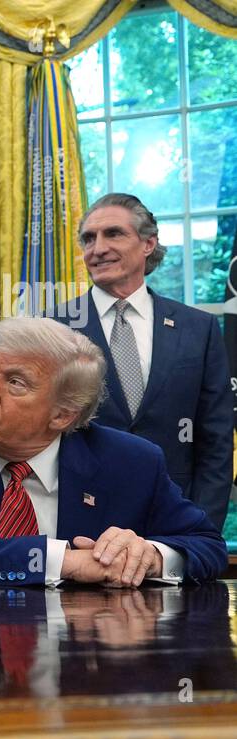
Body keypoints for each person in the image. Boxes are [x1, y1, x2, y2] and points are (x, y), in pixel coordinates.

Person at [0, 317, 226, 587]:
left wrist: (150, 556)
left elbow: (207, 545)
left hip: (88, 658)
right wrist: (63, 561)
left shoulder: (132, 461)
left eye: (15, 382)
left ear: (63, 415)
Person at [53, 192, 232, 530]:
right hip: (79, 526)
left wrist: (202, 527)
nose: (98, 248)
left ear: (149, 243)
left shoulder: (199, 328)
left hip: (175, 521)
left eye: (113, 234)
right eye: (89, 238)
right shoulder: (53, 327)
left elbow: (216, 440)